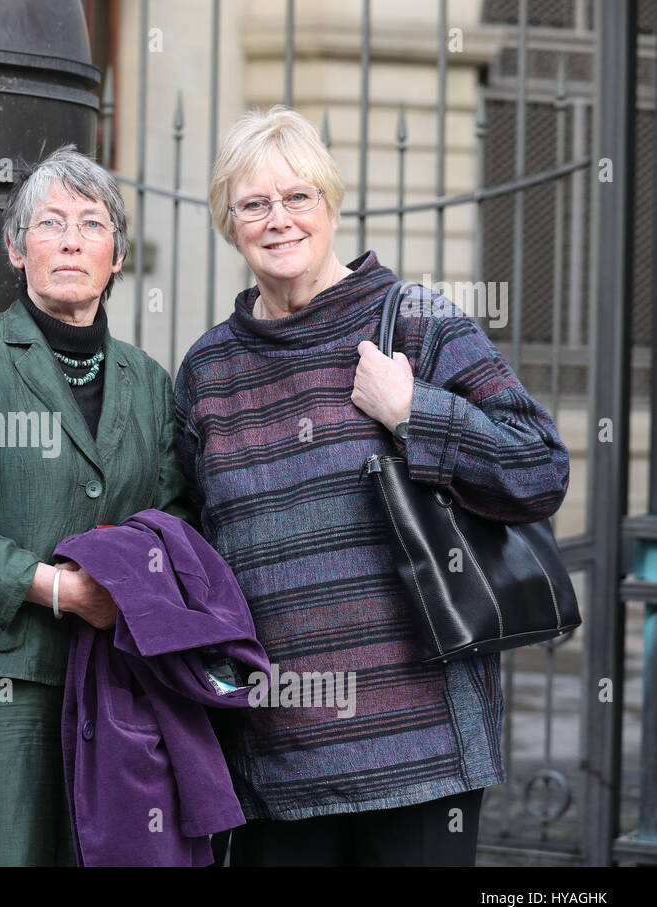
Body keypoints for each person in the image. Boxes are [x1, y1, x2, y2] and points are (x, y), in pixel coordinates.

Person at [175, 106, 570, 865]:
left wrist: (414, 410)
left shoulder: (417, 324)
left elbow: (540, 468)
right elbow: (200, 545)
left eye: (299, 197)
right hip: (278, 758)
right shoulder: (208, 370)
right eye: (254, 204)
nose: (279, 220)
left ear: (332, 204)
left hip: (420, 755)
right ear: (230, 221)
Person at [0, 145, 189, 866]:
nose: (70, 240)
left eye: (92, 225)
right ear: (14, 247)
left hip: (114, 688)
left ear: (116, 255)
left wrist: (132, 582)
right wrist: (63, 589)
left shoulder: (151, 383)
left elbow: (173, 515)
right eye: (49, 223)